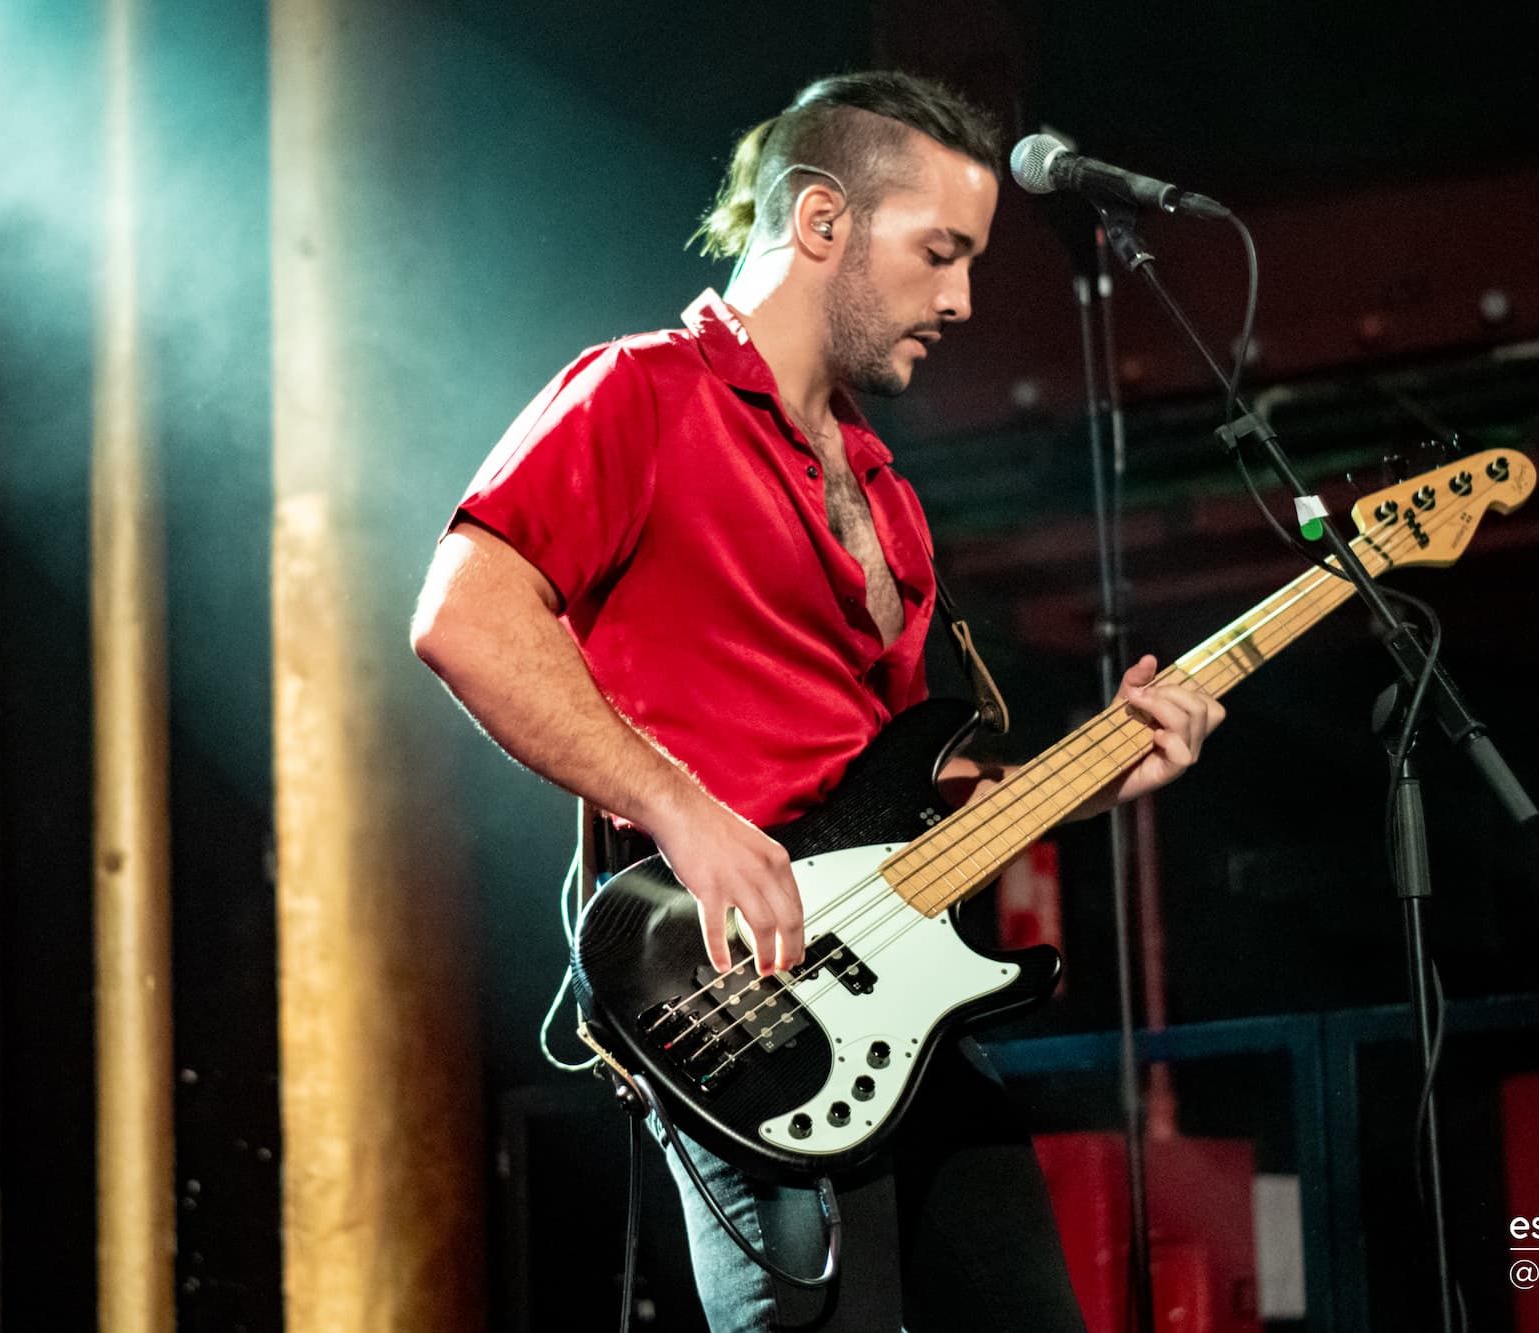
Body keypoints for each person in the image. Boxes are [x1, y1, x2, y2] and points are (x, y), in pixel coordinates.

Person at [411, 70, 1225, 1332]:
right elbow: (461, 615)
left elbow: (896, 792)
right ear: (821, 220)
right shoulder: (638, 391)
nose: (959, 301)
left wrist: (1099, 772)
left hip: (897, 999)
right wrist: (681, 811)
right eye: (939, 253)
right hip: (737, 996)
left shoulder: (887, 491)